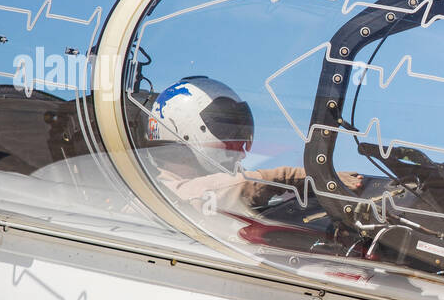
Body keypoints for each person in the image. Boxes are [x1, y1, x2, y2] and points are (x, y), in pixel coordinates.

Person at [145, 76, 362, 214]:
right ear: (184, 131)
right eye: (230, 135)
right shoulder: (153, 194)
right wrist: (293, 178)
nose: (241, 151)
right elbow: (233, 188)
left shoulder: (222, 188)